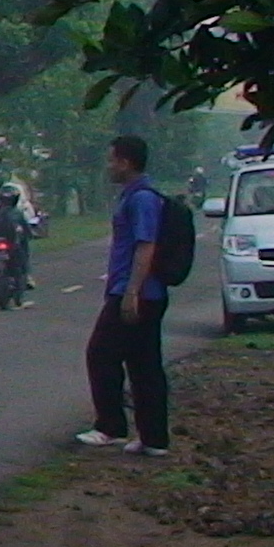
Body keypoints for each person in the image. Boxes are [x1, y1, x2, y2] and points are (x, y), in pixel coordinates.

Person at [77, 134, 172, 456]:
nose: (109, 167)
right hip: (141, 292)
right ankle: (153, 438)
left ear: (126, 162)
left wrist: (131, 291)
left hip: (135, 293)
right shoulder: (135, 195)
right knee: (143, 364)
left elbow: (146, 246)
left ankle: (110, 426)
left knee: (101, 354)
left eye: (112, 160)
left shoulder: (142, 198)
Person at [0, 183, 39, 303]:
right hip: (2, 244)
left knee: (23, 255)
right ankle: (23, 278)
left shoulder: (15, 212)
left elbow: (25, 229)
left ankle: (24, 278)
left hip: (10, 245)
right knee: (22, 255)